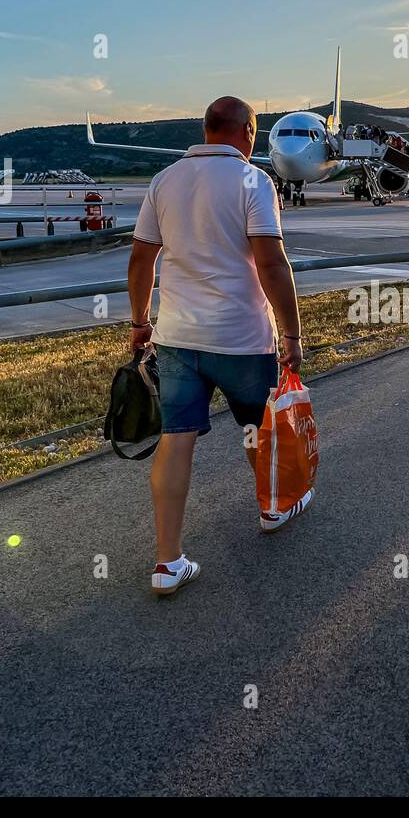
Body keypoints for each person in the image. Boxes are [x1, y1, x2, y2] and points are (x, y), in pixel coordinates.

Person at [128, 95, 305, 597]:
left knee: (176, 438)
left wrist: (140, 321)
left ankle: (168, 561)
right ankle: (271, 508)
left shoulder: (165, 181)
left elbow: (141, 261)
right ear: (249, 132)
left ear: (206, 130)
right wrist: (292, 334)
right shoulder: (255, 181)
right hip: (242, 336)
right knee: (256, 427)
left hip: (178, 336)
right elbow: (271, 263)